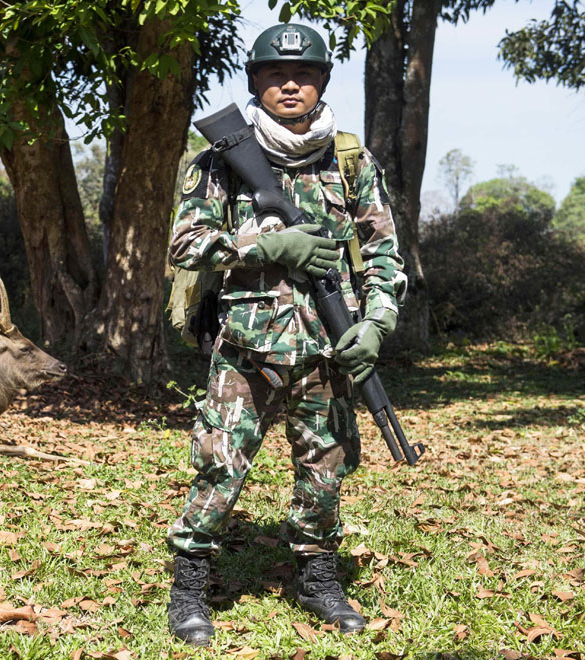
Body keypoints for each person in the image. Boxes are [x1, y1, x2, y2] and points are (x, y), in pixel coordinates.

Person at [165, 23, 406, 647]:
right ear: (255, 82)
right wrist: (264, 244)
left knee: (325, 471)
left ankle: (318, 580)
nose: (290, 84)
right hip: (245, 348)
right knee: (219, 471)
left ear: (323, 81)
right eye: (275, 74)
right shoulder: (220, 161)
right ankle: (191, 588)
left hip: (329, 347)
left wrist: (377, 322)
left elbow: (383, 256)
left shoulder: (350, 161)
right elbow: (187, 245)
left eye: (303, 75)